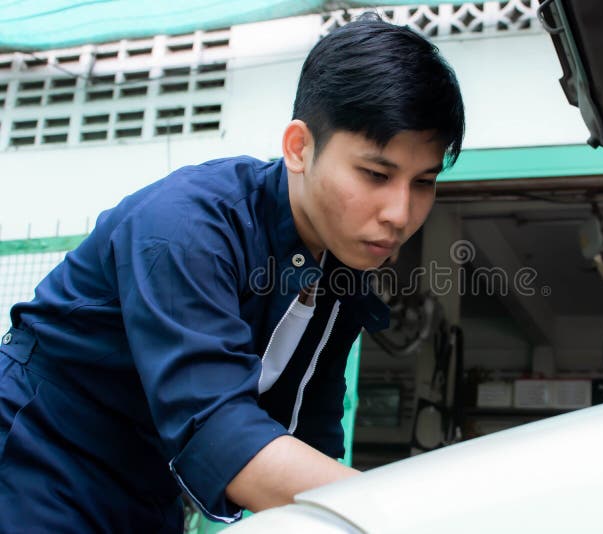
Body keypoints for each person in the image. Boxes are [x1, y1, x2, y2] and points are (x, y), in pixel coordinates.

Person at [0, 14, 464, 532]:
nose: (400, 213)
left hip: (144, 489)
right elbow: (218, 431)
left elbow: (310, 435)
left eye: (423, 182)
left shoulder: (342, 270)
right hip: (36, 454)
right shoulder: (186, 228)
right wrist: (402, 513)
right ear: (299, 148)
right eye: (376, 174)